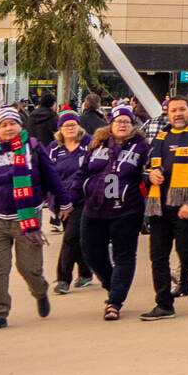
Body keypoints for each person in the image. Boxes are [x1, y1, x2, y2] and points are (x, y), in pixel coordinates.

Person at [0, 106, 70, 331]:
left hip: (27, 220)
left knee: (28, 267)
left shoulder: (34, 149)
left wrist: (64, 202)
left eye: (12, 124)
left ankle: (39, 291)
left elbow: (53, 178)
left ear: (20, 125)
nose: (9, 128)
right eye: (4, 125)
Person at [140, 96, 188, 320]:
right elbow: (145, 169)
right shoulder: (159, 139)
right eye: (173, 110)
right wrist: (150, 175)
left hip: (186, 207)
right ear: (167, 113)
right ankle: (164, 304)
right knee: (158, 256)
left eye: (182, 109)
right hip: (159, 207)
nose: (178, 114)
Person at [79, 105, 150, 321]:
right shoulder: (97, 144)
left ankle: (114, 302)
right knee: (91, 252)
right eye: (118, 121)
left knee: (124, 256)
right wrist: (70, 198)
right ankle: (112, 285)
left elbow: (146, 175)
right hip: (94, 208)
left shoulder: (141, 148)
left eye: (126, 122)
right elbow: (82, 172)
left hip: (126, 210)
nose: (122, 125)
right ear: (111, 124)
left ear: (132, 126)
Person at [47, 111, 94, 293]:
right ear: (60, 129)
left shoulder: (88, 145)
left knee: (70, 237)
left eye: (74, 124)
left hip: (83, 198)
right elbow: (48, 172)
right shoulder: (53, 148)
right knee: (75, 237)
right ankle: (86, 272)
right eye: (66, 125)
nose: (70, 128)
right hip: (61, 199)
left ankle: (63, 279)